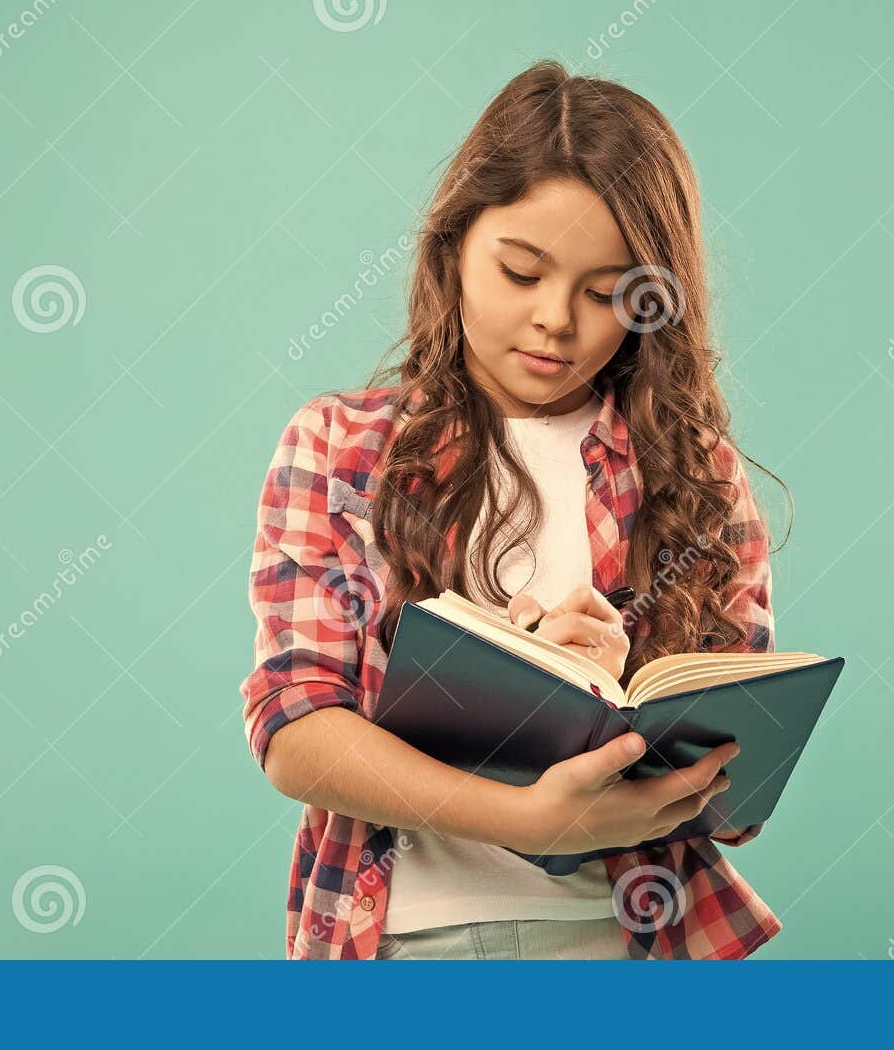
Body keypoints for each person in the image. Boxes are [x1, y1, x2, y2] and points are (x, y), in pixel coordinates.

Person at [241, 59, 786, 960]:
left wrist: (617, 691)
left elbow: (735, 801)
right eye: (522, 271)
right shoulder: (340, 448)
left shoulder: (697, 474)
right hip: (405, 940)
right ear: (455, 245)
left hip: (621, 940)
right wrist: (528, 810)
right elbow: (297, 729)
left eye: (605, 293)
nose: (555, 320)